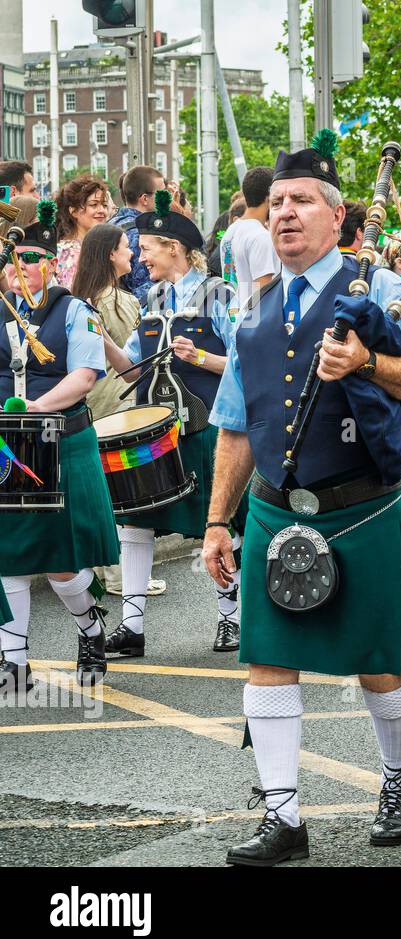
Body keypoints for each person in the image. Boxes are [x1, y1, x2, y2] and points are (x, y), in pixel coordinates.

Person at [201, 131, 401, 866]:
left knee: (380, 666)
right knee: (269, 660)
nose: (284, 213)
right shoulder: (253, 312)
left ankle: (400, 776)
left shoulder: (378, 293)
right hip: (278, 509)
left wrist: (369, 363)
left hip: (364, 507)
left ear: (336, 218)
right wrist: (219, 520)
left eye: (302, 201)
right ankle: (283, 816)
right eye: (276, 202)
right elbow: (234, 425)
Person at [100, 190, 241, 657]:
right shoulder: (151, 297)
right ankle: (133, 627)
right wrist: (102, 341)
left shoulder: (219, 293)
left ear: (174, 248)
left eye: (147, 249)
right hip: (154, 430)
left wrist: (201, 356)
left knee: (217, 521)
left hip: (203, 426)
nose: (141, 257)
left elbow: (244, 364)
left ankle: (231, 618)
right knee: (133, 521)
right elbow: (135, 370)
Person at [0, 200, 120, 690]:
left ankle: (90, 625)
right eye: (14, 263)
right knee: (8, 552)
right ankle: (13, 661)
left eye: (28, 261)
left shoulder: (76, 311)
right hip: (10, 447)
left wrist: (33, 410)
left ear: (49, 265)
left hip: (59, 438)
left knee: (59, 561)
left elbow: (86, 376)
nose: (19, 271)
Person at [70, 223, 141, 421]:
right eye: (126, 247)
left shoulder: (78, 299)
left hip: (91, 402)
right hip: (120, 404)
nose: (132, 254)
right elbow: (133, 356)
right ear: (111, 254)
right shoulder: (116, 300)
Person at [223, 166, 280, 311]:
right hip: (256, 322)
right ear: (269, 197)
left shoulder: (231, 231)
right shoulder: (260, 237)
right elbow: (263, 294)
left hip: (236, 319)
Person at [109, 166, 166, 304]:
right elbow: (144, 291)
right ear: (145, 199)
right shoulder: (140, 233)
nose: (166, 199)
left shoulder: (110, 224)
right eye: (162, 194)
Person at [54, 175, 112, 288]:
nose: (101, 211)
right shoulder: (67, 252)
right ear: (74, 211)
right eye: (94, 205)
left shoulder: (100, 246)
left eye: (104, 205)